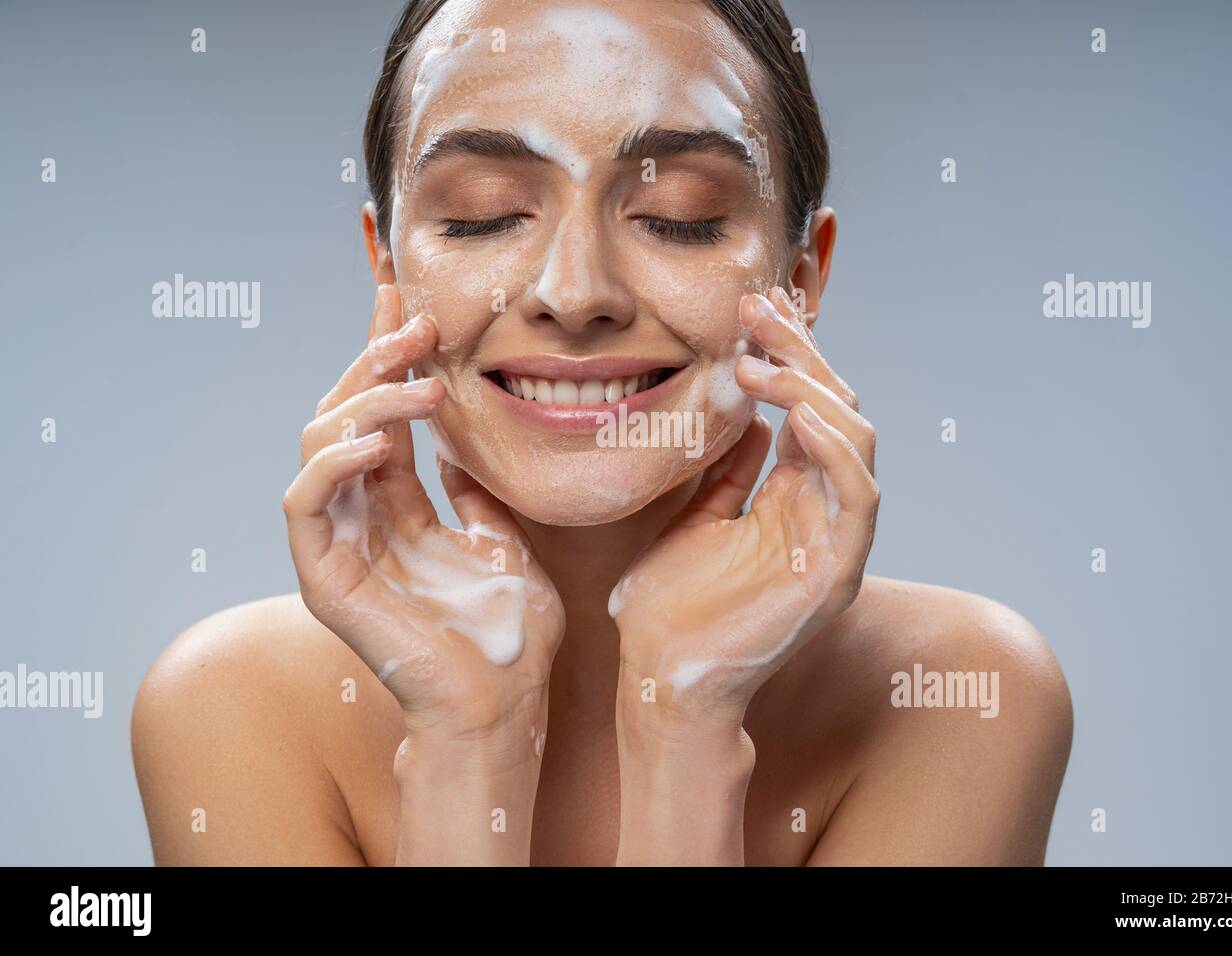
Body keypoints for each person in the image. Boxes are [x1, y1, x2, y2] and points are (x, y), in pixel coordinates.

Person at [133, 0, 1073, 866]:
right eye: (483, 215)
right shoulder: (230, 704)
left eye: (681, 219)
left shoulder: (960, 693)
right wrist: (467, 750)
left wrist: (685, 732)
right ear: (386, 267)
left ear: (801, 278)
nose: (575, 294)